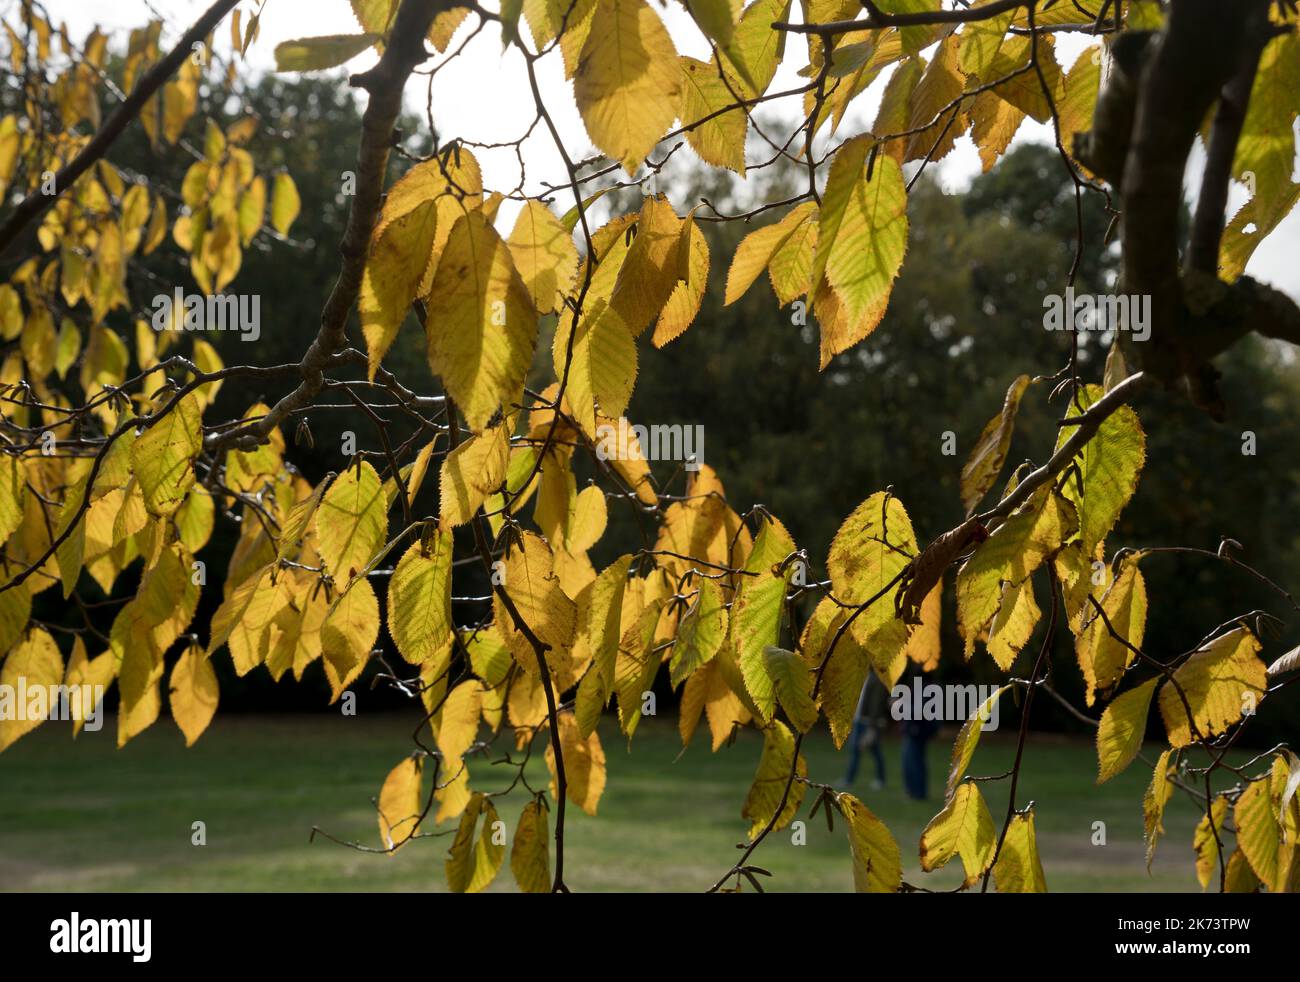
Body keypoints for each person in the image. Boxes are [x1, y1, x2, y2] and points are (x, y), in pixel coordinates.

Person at [841, 673, 888, 790]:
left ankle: (851, 779)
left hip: (867, 722)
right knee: (863, 750)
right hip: (860, 720)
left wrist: (872, 728)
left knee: (866, 750)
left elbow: (876, 704)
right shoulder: (864, 677)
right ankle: (850, 778)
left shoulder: (877, 679)